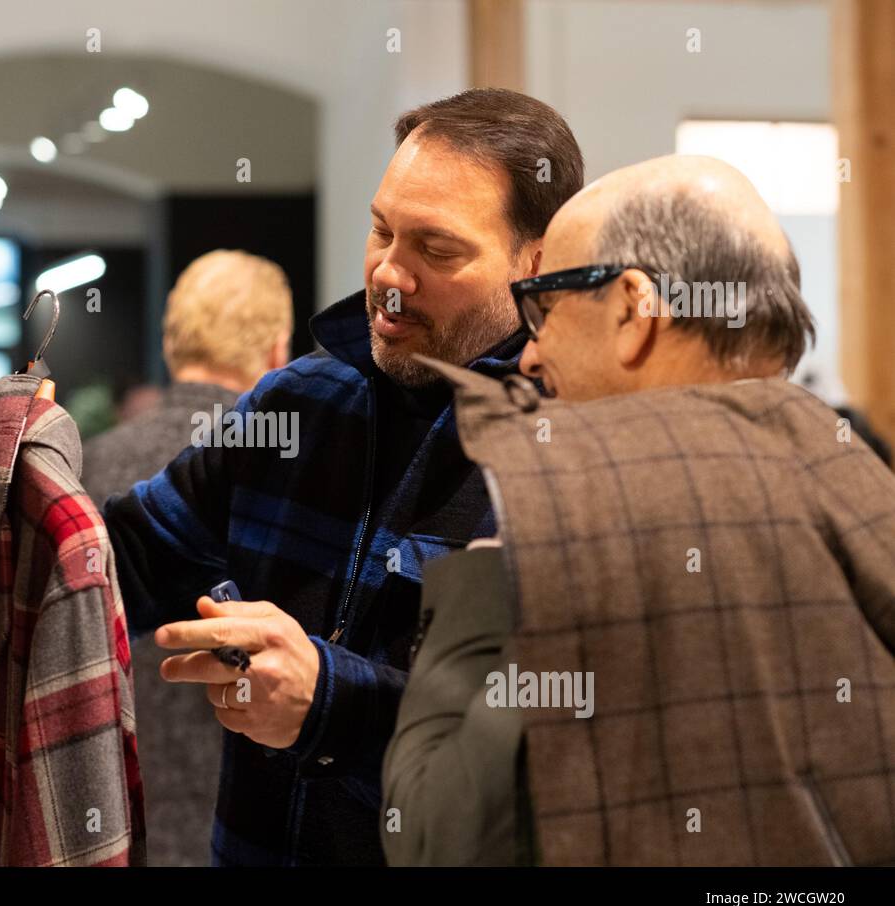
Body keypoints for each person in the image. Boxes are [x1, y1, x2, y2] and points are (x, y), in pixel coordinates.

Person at [103, 88, 585, 865]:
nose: (388, 274)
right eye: (381, 230)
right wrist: (9, 491)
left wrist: (330, 703)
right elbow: (122, 563)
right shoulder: (298, 404)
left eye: (436, 249)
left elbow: (552, 736)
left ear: (536, 263)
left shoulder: (569, 454)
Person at [383, 154, 895, 866]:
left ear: (632, 308)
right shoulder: (859, 476)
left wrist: (484, 596)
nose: (530, 357)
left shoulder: (580, 507)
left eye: (544, 308)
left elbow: (439, 835)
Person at [84, 249, 293, 866]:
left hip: (110, 808)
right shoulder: (287, 465)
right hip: (245, 817)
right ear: (278, 349)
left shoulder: (88, 463)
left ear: (173, 346)